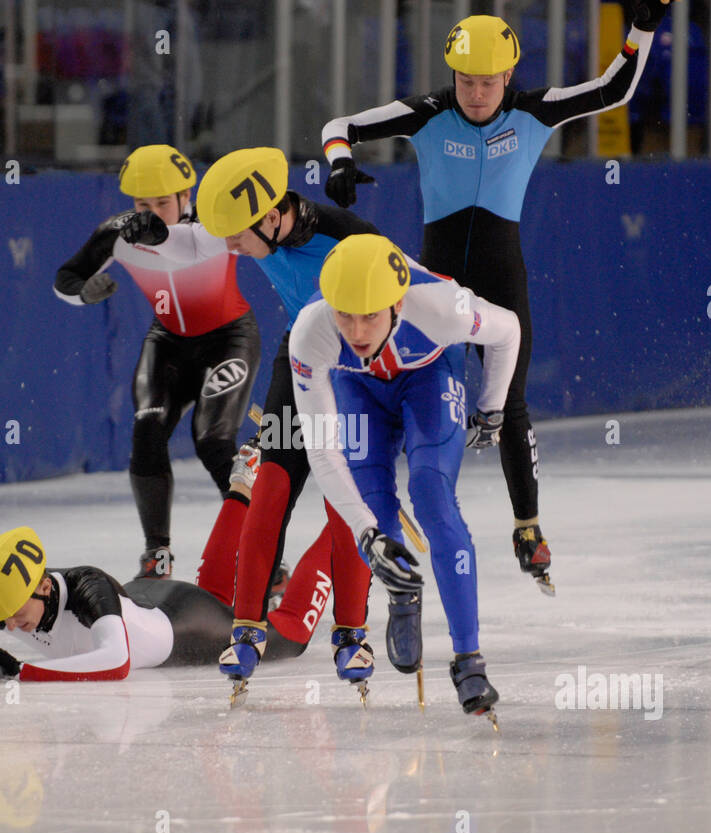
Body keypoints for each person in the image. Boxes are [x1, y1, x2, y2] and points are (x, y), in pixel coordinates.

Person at [320, 0, 680, 592]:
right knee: (417, 386)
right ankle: (406, 508)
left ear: (508, 77)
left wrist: (641, 28)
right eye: (466, 81)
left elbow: (613, 91)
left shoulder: (534, 111)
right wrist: (338, 164)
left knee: (509, 403)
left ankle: (527, 528)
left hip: (501, 274)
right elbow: (342, 128)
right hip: (433, 282)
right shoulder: (430, 112)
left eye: (488, 82)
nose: (477, 93)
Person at [288, 233, 521, 723]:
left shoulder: (444, 309)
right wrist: (365, 533)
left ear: (397, 302)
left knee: (431, 495)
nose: (356, 330)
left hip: (429, 376)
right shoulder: (310, 332)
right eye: (344, 314)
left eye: (370, 314)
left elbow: (508, 330)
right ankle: (402, 591)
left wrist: (492, 410)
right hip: (359, 387)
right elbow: (322, 448)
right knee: (371, 505)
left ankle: (468, 660)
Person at [194, 147, 380, 701]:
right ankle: (247, 630)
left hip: (353, 372)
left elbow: (408, 297)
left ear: (273, 216)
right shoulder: (257, 227)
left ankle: (351, 635)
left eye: (237, 235)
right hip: (299, 357)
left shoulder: (349, 238)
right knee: (272, 486)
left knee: (341, 498)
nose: (230, 247)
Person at [0, 445, 320, 682]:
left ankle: (345, 532)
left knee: (290, 633)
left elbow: (114, 662)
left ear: (45, 586)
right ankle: (241, 487)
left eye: (13, 615)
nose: (8, 626)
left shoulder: (87, 587)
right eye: (0, 619)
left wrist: (16, 670)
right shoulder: (6, 594)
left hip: (186, 623)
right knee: (212, 589)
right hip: (145, 602)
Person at [54, 144, 260, 580]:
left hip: (229, 339)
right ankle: (156, 554)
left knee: (211, 440)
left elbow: (188, 246)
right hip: (168, 342)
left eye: (163, 202)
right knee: (147, 431)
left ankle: (262, 549)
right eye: (142, 204)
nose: (151, 212)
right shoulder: (117, 233)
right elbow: (64, 277)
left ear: (189, 195)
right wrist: (82, 292)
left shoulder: (213, 223)